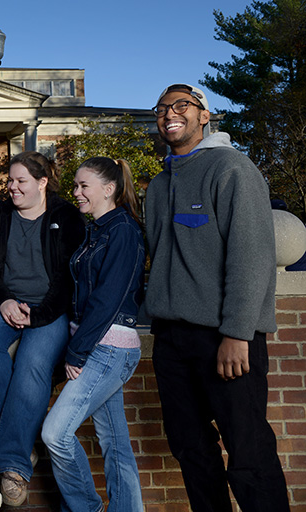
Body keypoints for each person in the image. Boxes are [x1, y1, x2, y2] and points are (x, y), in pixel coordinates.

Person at [146, 83, 290, 511]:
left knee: (248, 452)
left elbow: (251, 257)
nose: (170, 114)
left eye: (182, 105)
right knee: (190, 449)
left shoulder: (232, 170)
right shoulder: (158, 184)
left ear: (204, 116)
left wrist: (236, 333)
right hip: (171, 341)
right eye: (162, 109)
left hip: (223, 338)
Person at [0, 151, 85, 507]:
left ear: (42, 182)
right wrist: (3, 300)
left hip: (48, 311)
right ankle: (20, 441)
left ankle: (14, 466)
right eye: (9, 181)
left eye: (21, 182)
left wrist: (39, 316)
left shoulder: (67, 216)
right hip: (5, 302)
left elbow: (70, 276)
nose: (12, 187)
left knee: (32, 364)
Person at [41, 157, 145, 512]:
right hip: (97, 344)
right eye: (75, 186)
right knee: (115, 442)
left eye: (84, 186)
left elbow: (107, 300)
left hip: (107, 349)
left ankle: (88, 508)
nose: (77, 193)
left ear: (109, 189)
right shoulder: (96, 230)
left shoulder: (123, 231)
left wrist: (77, 352)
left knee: (54, 434)